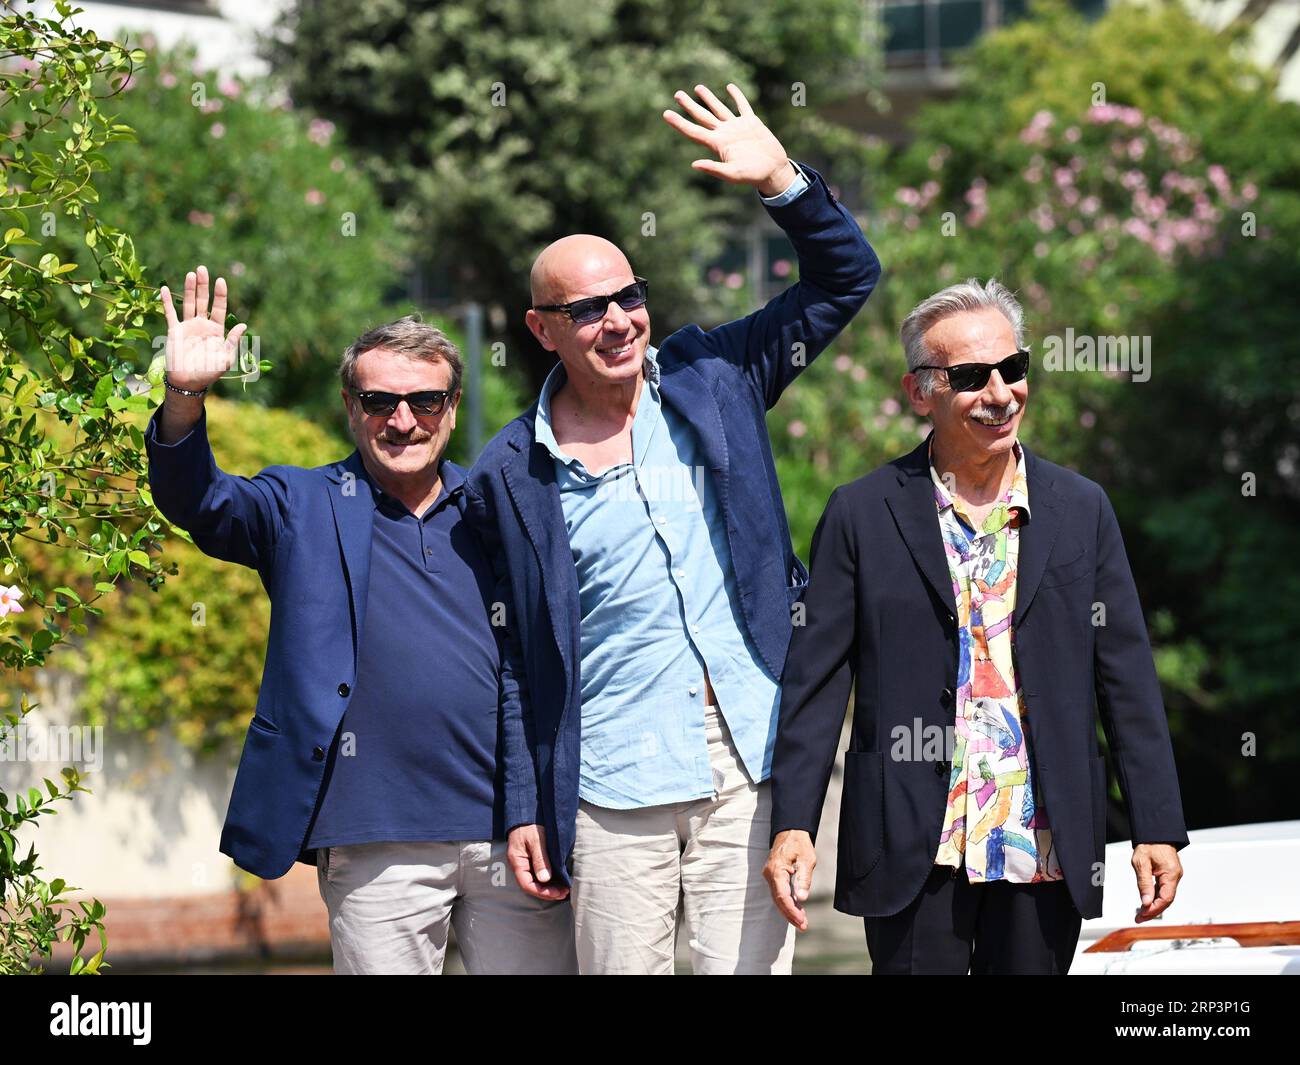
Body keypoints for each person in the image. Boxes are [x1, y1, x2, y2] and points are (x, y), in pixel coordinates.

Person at [465, 83, 881, 974]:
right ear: (543, 329)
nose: (617, 320)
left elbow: (847, 278)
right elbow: (510, 655)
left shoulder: (716, 376)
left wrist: (780, 180)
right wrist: (520, 801)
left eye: (628, 295)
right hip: (613, 784)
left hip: (752, 759)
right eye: (586, 309)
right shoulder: (511, 469)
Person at [145, 266, 577, 975]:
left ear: (452, 403)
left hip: (514, 834)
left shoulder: (497, 508)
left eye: (425, 401)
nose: (402, 420)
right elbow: (200, 501)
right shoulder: (301, 502)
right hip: (375, 837)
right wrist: (185, 395)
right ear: (350, 406)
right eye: (379, 401)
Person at [764, 278, 1187, 975]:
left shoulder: (1083, 509)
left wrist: (1156, 824)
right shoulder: (861, 513)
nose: (1000, 393)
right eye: (970, 377)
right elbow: (816, 683)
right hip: (910, 841)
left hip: (1042, 844)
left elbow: (1127, 676)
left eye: (1012, 368)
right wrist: (794, 823)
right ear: (919, 391)